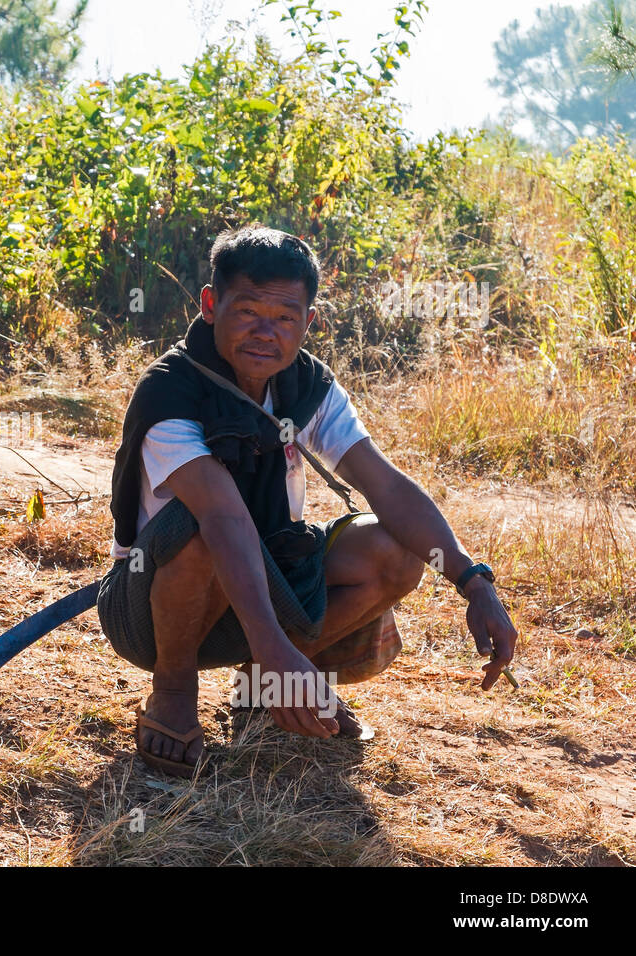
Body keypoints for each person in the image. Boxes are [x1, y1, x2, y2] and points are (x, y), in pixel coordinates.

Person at [96, 225, 518, 777]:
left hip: (259, 582)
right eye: (247, 310)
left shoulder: (307, 386)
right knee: (198, 531)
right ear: (209, 304)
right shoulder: (172, 391)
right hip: (148, 609)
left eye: (285, 318)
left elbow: (385, 484)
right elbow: (222, 518)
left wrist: (473, 580)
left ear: (308, 322)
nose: (265, 333)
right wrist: (280, 653)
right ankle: (174, 692)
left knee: (395, 550)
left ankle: (257, 686)